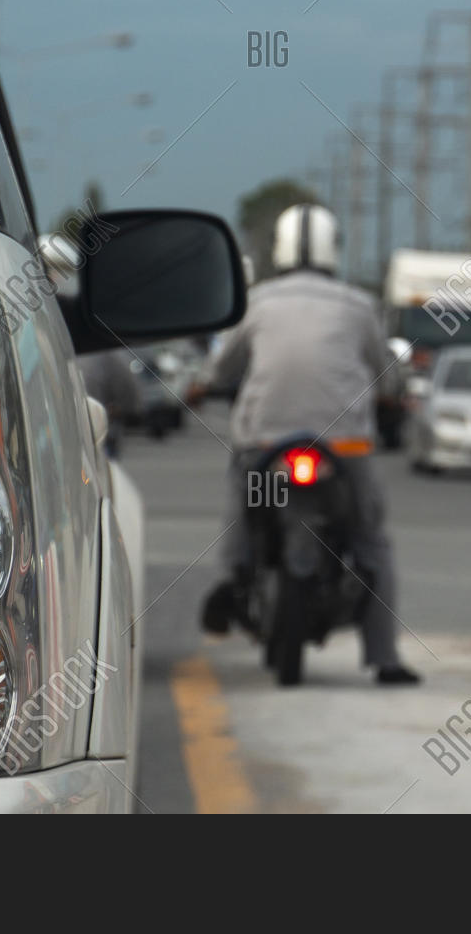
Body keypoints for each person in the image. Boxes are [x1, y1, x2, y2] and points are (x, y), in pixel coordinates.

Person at [190, 204, 420, 685]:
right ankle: (385, 657)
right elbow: (389, 377)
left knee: (244, 506)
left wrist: (203, 385)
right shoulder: (359, 305)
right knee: (370, 541)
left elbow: (220, 370)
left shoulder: (256, 302)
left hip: (265, 446)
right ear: (333, 249)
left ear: (279, 247)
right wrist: (393, 396)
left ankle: (232, 577)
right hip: (345, 451)